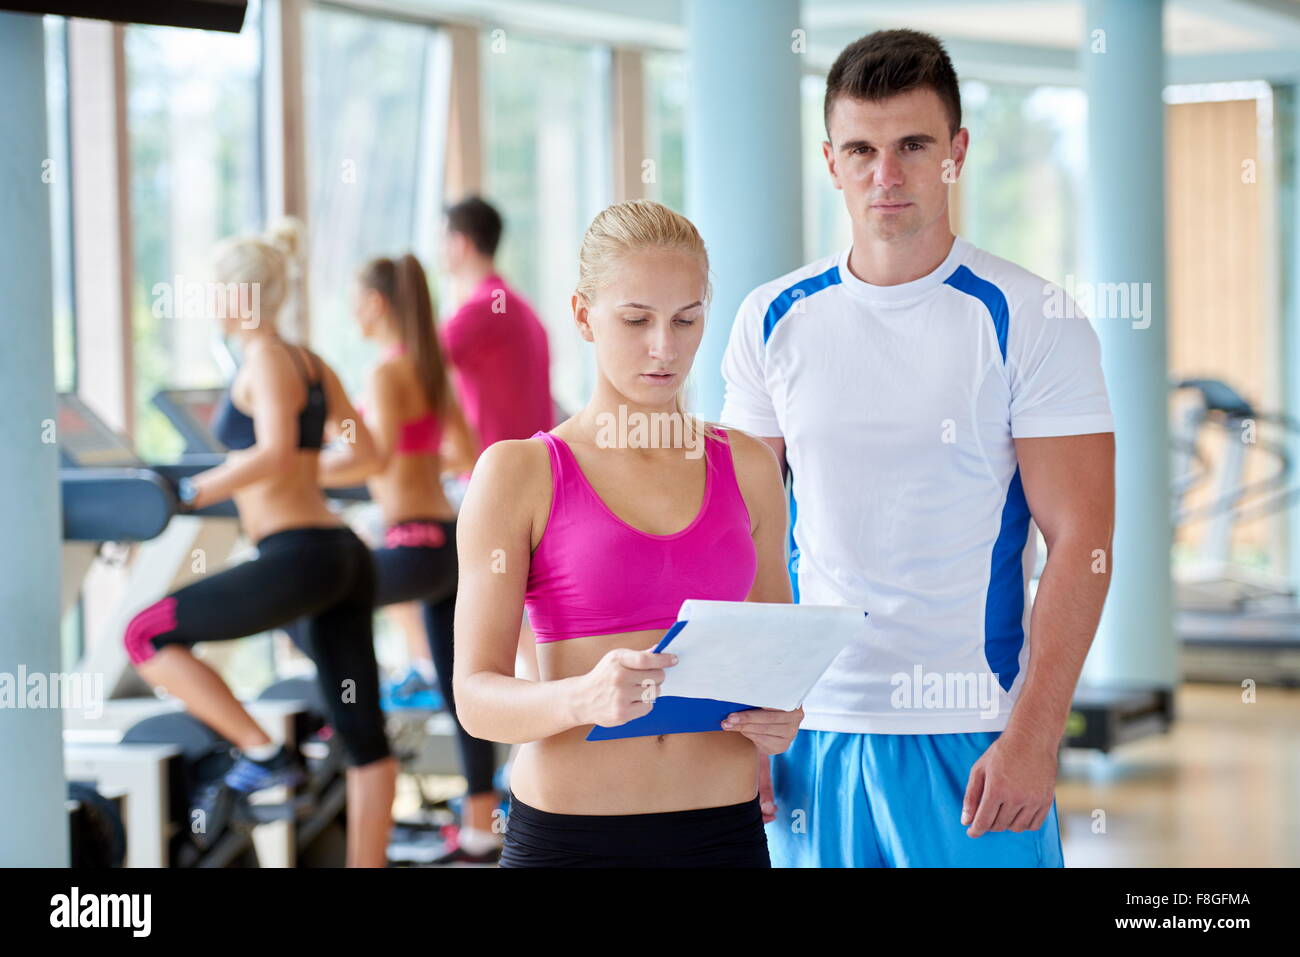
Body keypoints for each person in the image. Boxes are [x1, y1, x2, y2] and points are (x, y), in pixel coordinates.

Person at [720, 29, 1116, 867]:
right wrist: (752, 719)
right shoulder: (769, 318)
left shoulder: (1032, 316)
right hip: (812, 732)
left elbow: (1081, 541)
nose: (885, 175)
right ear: (830, 160)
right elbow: (745, 536)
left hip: (974, 731)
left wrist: (1036, 734)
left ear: (957, 152)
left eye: (912, 146)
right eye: (861, 149)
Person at [453, 199, 801, 868]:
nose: (664, 348)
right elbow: (476, 696)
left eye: (686, 319)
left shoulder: (750, 466)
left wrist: (782, 719)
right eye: (636, 320)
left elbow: (773, 664)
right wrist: (580, 696)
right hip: (571, 840)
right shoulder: (518, 472)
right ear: (583, 315)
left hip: (722, 835)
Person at [123, 222, 397, 868]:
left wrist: (193, 491)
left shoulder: (266, 358)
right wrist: (304, 471)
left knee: (144, 636)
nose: (210, 300)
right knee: (366, 740)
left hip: (300, 555)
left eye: (216, 288)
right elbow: (367, 454)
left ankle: (265, 753)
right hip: (338, 556)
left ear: (239, 294)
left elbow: (273, 451)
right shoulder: (310, 359)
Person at [309, 252, 503, 863]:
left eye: (354, 298)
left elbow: (371, 459)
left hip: (412, 540)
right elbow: (464, 450)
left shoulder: (386, 374)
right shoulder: (429, 368)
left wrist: (295, 470)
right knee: (460, 689)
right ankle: (479, 830)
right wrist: (415, 468)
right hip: (446, 541)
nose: (350, 311)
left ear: (375, 303)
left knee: (312, 605)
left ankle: (340, 721)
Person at [439, 195, 553, 458]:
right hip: (527, 469)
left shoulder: (484, 309)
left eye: (442, 240)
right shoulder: (520, 307)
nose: (439, 250)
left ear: (460, 244)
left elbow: (415, 364)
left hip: (495, 476)